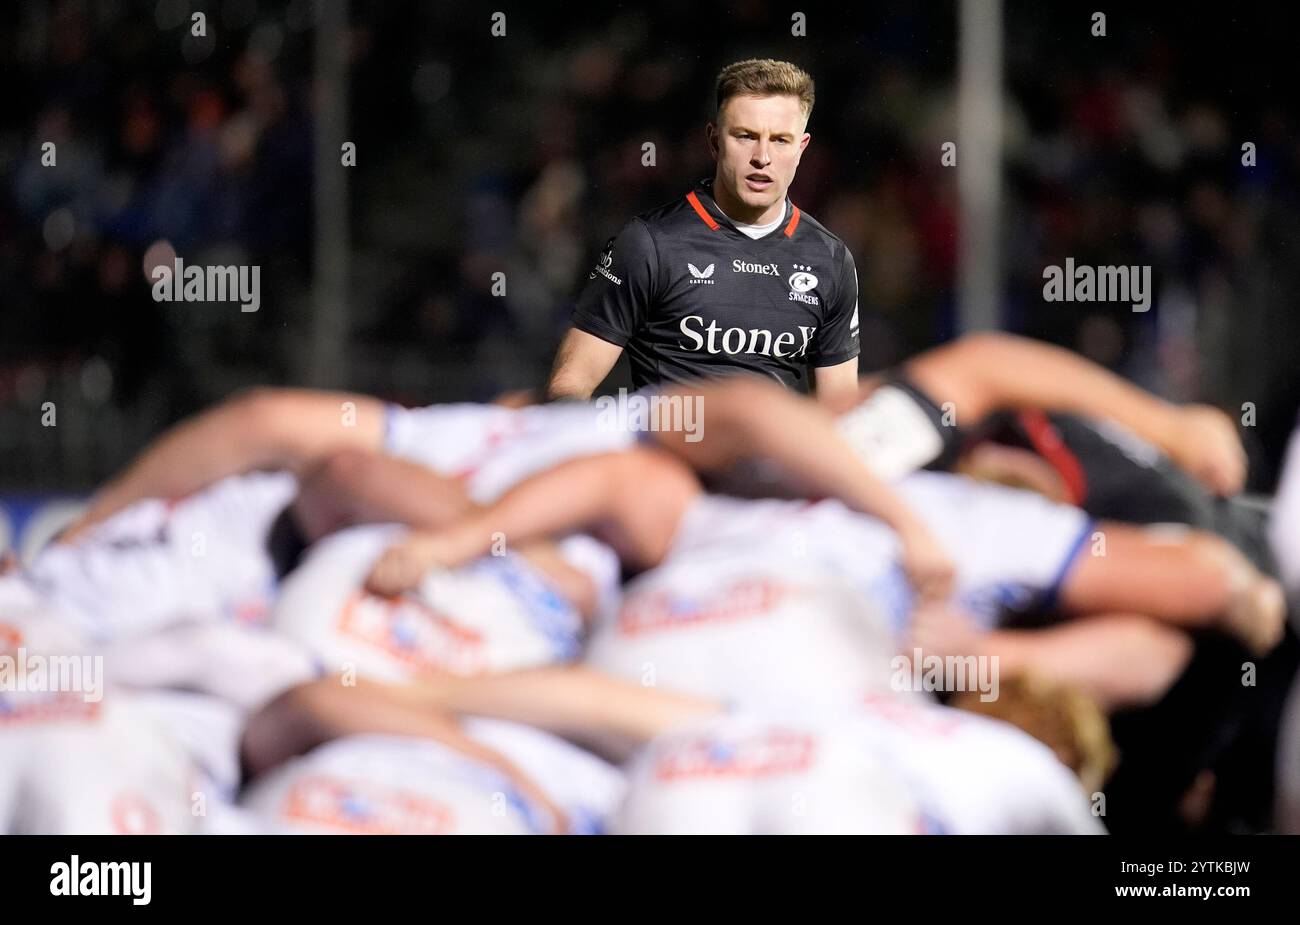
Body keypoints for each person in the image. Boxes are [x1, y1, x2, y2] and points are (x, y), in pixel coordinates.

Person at [548, 58, 861, 408]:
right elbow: (571, 383)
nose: (762, 157)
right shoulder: (649, 243)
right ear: (714, 141)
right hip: (670, 456)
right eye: (746, 136)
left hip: (771, 460)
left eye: (780, 141)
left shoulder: (830, 260)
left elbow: (840, 411)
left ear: (801, 149)